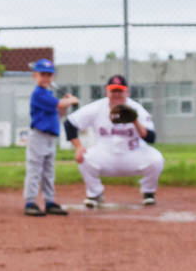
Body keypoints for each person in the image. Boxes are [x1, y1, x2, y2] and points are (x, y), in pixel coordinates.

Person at [64, 74, 164, 207]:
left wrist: (134, 121)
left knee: (156, 159)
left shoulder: (137, 109)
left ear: (126, 91)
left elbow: (151, 138)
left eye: (120, 90)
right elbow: (70, 123)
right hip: (105, 154)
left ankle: (148, 192)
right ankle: (95, 194)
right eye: (113, 90)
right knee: (84, 157)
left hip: (133, 153)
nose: (117, 94)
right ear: (107, 91)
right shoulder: (97, 107)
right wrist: (78, 147)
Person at [23, 58, 78, 216]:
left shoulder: (48, 94)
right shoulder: (39, 94)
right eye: (42, 74)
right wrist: (69, 100)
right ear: (35, 76)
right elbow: (58, 105)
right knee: (35, 170)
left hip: (50, 138)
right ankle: (30, 202)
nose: (46, 78)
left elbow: (59, 113)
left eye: (49, 75)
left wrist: (66, 103)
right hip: (38, 137)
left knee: (48, 171)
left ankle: (49, 201)